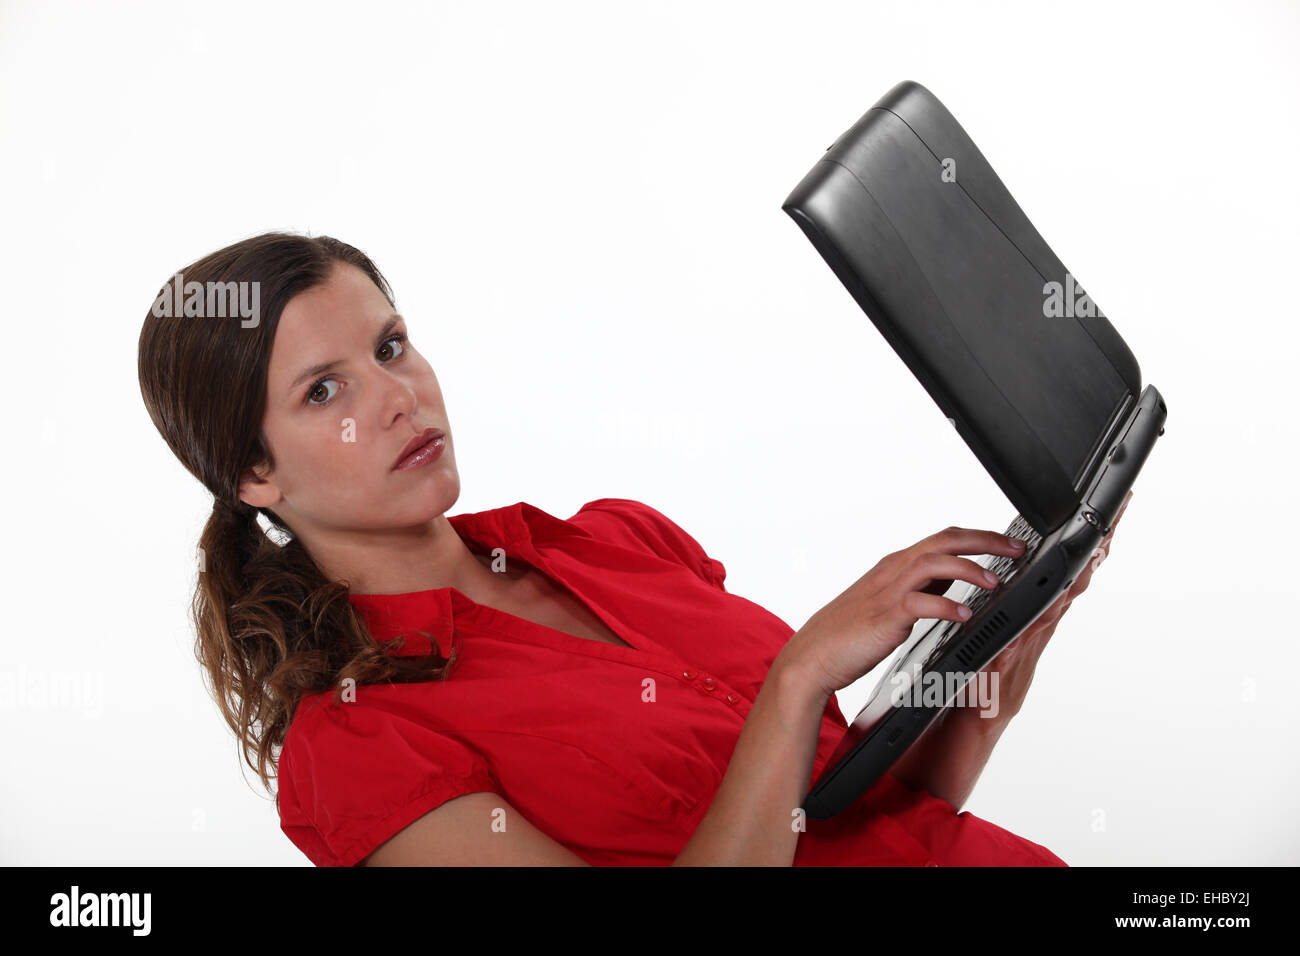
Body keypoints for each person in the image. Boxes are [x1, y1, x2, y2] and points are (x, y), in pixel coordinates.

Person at [137, 230, 1131, 866]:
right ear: (253, 474)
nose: (397, 395)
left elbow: (856, 824)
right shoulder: (357, 747)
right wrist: (798, 676)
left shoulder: (616, 538)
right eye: (325, 389)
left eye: (391, 346)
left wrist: (1018, 624)